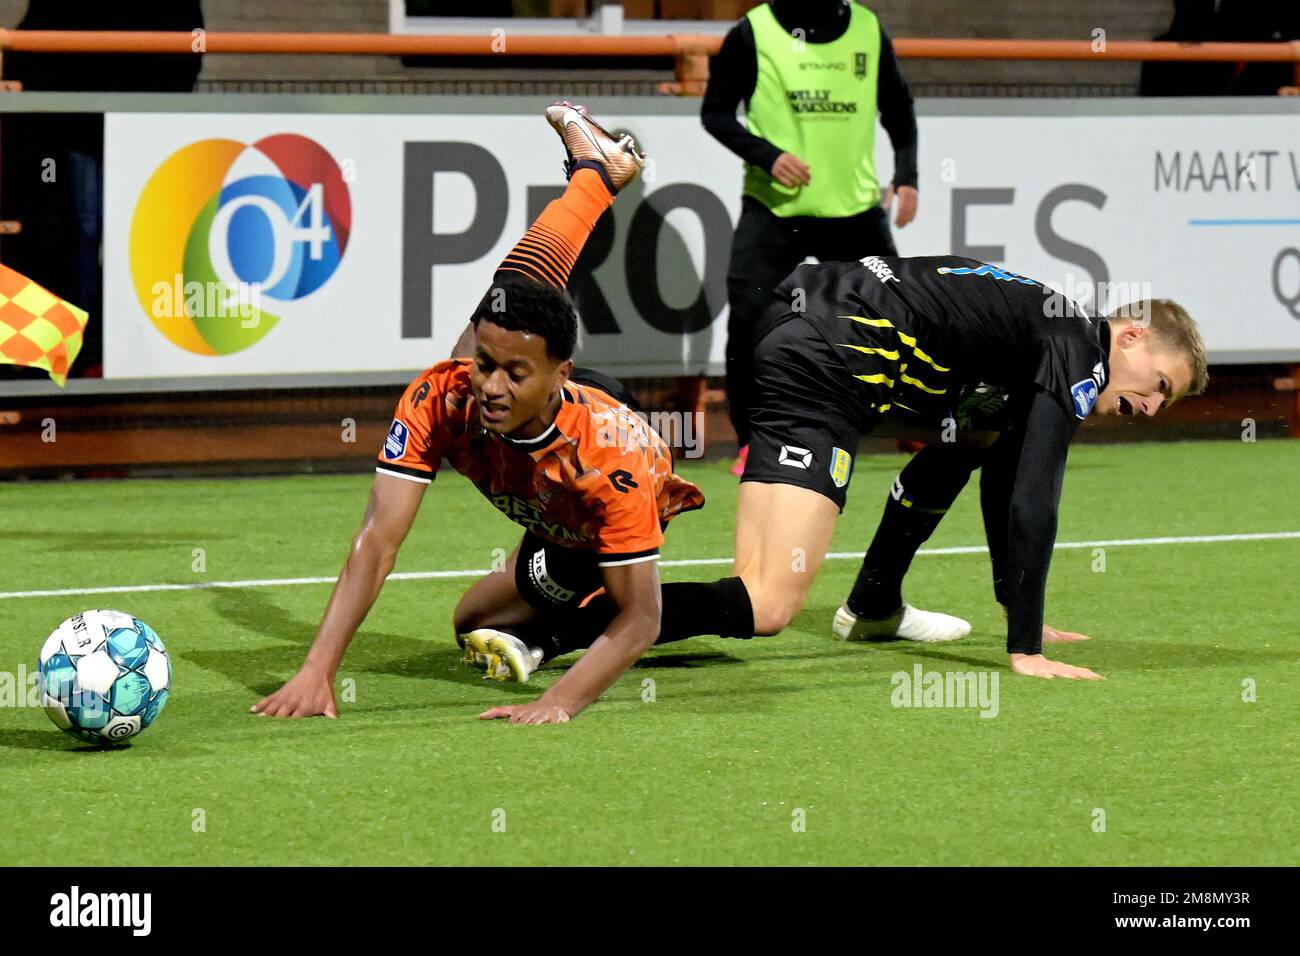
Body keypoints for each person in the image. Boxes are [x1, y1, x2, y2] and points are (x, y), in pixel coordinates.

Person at [250, 103, 754, 725]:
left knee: (591, 595)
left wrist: (558, 702)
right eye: (486, 365)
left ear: (557, 375)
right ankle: (596, 173)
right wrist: (316, 669)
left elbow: (641, 619)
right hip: (542, 449)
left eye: (512, 374)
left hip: (592, 469)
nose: (488, 386)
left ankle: (728, 606)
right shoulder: (446, 393)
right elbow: (378, 540)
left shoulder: (612, 468)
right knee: (474, 622)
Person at [701, 0, 918, 474]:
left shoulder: (867, 29)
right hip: (775, 211)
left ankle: (913, 424)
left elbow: (898, 107)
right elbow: (715, 114)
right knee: (750, 321)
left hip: (856, 211)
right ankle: (752, 441)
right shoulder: (752, 32)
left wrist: (908, 176)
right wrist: (767, 155)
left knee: (897, 315)